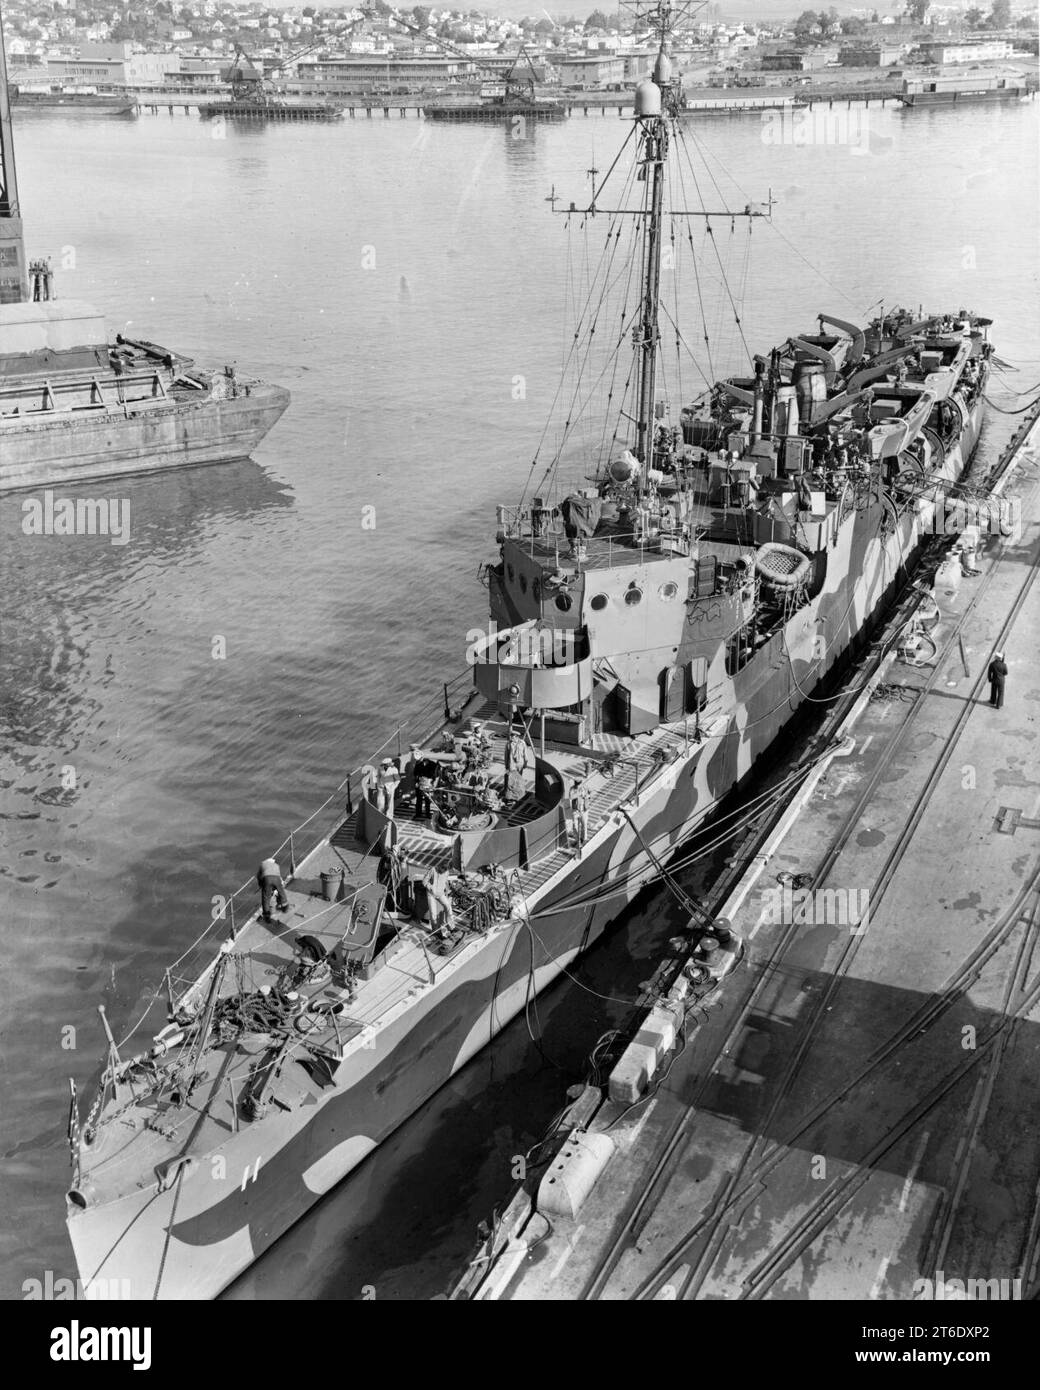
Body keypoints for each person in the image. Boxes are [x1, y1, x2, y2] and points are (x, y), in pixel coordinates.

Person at [257, 856, 289, 922]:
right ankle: (285, 907)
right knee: (281, 892)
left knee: (266, 898)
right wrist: (279, 885)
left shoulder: (262, 864)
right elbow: (279, 876)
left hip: (267, 879)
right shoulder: (276, 865)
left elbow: (259, 877)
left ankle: (267, 916)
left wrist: (262, 886)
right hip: (276, 879)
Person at [412, 749, 440, 820]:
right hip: (420, 783)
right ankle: (418, 814)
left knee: (428, 800)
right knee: (419, 800)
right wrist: (416, 782)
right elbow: (415, 773)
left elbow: (435, 775)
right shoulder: (418, 764)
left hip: (428, 783)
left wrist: (433, 783)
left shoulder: (433, 765)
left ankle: (427, 814)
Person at [570, 780, 590, 854]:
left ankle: (584, 839)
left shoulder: (585, 787)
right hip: (576, 810)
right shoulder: (572, 789)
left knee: (584, 825)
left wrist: (587, 796)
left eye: (578, 784)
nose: (577, 786)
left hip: (584, 810)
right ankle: (577, 840)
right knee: (575, 826)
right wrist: (579, 793)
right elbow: (571, 796)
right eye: (576, 785)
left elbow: (589, 795)